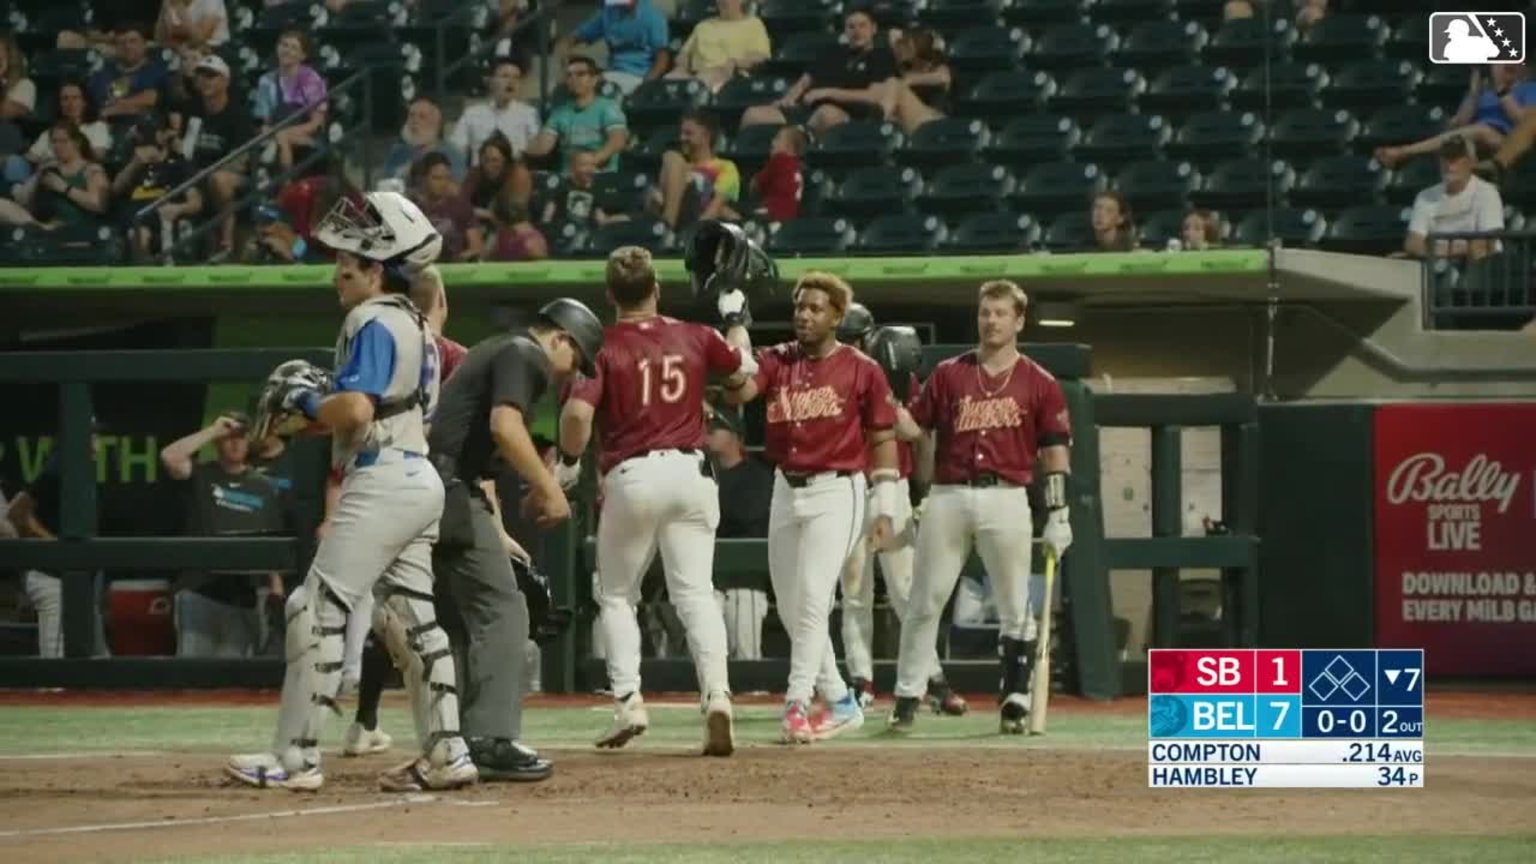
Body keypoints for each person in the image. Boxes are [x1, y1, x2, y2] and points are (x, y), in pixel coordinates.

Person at [225, 190, 476, 793]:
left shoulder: (371, 319)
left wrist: (306, 399)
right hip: (419, 477)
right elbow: (375, 412)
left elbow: (357, 410)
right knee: (412, 620)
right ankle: (448, 754)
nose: (336, 274)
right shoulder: (418, 325)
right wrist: (316, 413)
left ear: (378, 269)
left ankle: (295, 758)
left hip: (384, 478)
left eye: (348, 264)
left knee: (312, 608)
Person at [558, 245, 751, 756]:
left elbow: (577, 415)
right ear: (656, 289)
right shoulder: (697, 334)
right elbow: (741, 375)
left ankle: (628, 702)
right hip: (691, 471)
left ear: (610, 295)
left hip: (633, 474)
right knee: (696, 594)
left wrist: (569, 461)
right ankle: (718, 696)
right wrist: (736, 318)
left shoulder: (600, 345)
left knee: (617, 596)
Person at [424, 292, 603, 780]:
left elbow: (479, 456)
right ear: (561, 339)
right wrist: (551, 489)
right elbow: (504, 427)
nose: (571, 375)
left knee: (448, 616)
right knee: (502, 610)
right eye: (576, 361)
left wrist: (497, 530)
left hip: (437, 486)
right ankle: (488, 740)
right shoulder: (526, 354)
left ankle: (455, 740)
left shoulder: (499, 348)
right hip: (446, 489)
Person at [719, 268, 902, 745]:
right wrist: (735, 324)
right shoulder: (778, 359)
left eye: (815, 308)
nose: (803, 315)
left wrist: (885, 502)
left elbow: (883, 437)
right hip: (786, 485)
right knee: (792, 605)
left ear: (836, 316)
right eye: (800, 306)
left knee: (815, 600)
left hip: (837, 489)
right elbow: (738, 388)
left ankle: (796, 703)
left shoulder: (862, 368)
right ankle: (840, 699)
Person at [887, 280, 1074, 735]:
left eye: (1001, 313)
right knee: (925, 599)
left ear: (1019, 320)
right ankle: (908, 695)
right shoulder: (949, 373)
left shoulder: (1040, 382)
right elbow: (914, 427)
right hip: (949, 494)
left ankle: (1015, 698)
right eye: (985, 312)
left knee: (1014, 603)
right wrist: (888, 398)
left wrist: (1059, 513)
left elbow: (1055, 451)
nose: (991, 321)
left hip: (1007, 495)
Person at [835, 304, 967, 716]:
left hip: (892, 487)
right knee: (854, 592)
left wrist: (889, 398)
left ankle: (930, 679)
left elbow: (913, 431)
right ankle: (860, 680)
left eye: (856, 339)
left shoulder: (901, 377)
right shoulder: (834, 375)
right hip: (848, 488)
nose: (851, 346)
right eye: (845, 339)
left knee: (907, 591)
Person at [159, 412, 284, 657]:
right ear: (217, 442)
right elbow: (169, 457)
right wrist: (214, 430)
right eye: (228, 437)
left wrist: (276, 588)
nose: (235, 443)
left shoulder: (264, 487)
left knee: (234, 674)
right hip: (199, 590)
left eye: (241, 437)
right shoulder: (201, 475)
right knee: (194, 673)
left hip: (243, 596)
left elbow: (271, 540)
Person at [739, 8, 897, 135]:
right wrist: (788, 99)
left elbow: (873, 96)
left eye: (862, 26)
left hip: (848, 114)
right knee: (753, 114)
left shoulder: (881, 56)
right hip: (806, 111)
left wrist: (828, 93)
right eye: (851, 26)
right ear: (845, 30)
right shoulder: (830, 53)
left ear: (874, 28)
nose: (857, 31)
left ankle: (799, 146)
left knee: (826, 114)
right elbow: (803, 83)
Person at [704, 407, 773, 660]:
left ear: (737, 437)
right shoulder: (701, 473)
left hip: (746, 579)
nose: (710, 432)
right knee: (704, 654)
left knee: (746, 654)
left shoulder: (757, 475)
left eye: (718, 428)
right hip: (708, 577)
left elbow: (745, 516)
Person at [1377, 65, 1536, 168]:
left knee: (1481, 131)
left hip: (1507, 141)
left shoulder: (1529, 88)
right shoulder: (1482, 93)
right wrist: (1474, 92)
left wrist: (1501, 91)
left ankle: (1406, 151)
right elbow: (1461, 123)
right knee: (1460, 134)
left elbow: (1524, 122)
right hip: (1473, 141)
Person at [1404, 136, 1504, 262]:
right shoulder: (1425, 196)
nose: (1449, 164)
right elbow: (1413, 243)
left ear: (1472, 162)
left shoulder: (1487, 193)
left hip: (1478, 265)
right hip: (1437, 263)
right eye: (1445, 157)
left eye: (1456, 158)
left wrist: (1434, 249)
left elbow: (1485, 243)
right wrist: (1453, 251)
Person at [523, 56, 629, 172]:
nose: (574, 79)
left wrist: (592, 161)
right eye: (569, 75)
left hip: (600, 175)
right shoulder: (559, 112)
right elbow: (544, 146)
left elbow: (617, 140)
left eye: (580, 74)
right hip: (568, 177)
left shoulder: (608, 107)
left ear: (594, 79)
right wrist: (519, 151)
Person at [560, 0, 670, 96]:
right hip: (612, 73)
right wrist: (564, 51)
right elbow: (575, 37)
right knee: (571, 86)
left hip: (638, 77)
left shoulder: (653, 17)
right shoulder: (608, 13)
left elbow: (662, 58)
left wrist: (646, 84)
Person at [655, 111, 739, 231]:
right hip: (679, 213)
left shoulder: (725, 166)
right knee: (670, 158)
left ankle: (667, 226)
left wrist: (696, 231)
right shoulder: (678, 166)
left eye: (688, 134)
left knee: (672, 158)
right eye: (681, 133)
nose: (682, 138)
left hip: (700, 216)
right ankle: (663, 227)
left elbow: (716, 206)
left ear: (706, 136)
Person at [667, 0, 771, 93]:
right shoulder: (703, 25)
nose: (721, 1)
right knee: (670, 79)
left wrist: (735, 62)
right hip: (696, 75)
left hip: (730, 77)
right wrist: (681, 67)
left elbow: (760, 56)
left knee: (706, 80)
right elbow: (684, 54)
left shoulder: (753, 24)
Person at [449, 59, 541, 164]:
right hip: (480, 171)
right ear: (491, 82)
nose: (511, 81)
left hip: (513, 170)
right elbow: (456, 148)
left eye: (516, 77)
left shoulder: (529, 114)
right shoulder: (472, 113)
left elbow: (536, 151)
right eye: (505, 76)